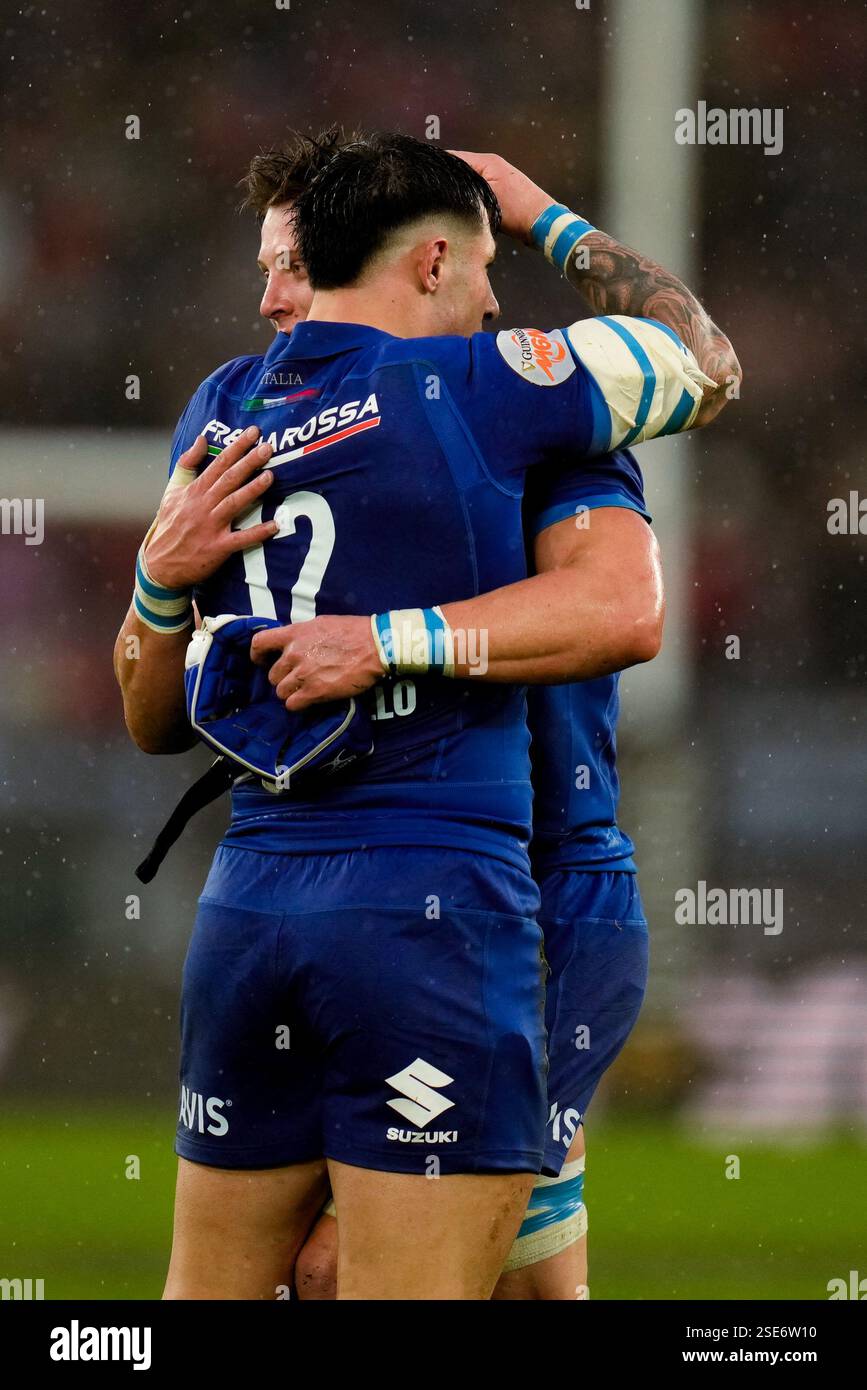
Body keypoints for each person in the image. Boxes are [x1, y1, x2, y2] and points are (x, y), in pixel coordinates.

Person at [114, 133, 739, 1300]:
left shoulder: (223, 412)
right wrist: (550, 214)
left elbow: (152, 718)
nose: (267, 298)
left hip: (252, 903)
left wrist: (160, 583)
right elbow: (705, 369)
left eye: (283, 265)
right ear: (440, 258)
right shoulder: (507, 396)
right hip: (448, 900)